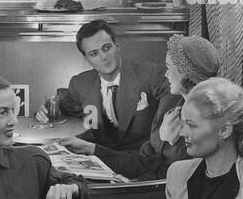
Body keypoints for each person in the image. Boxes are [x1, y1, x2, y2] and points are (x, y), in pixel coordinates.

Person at [60, 34, 220, 181]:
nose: (166, 75)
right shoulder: (170, 105)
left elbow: (186, 178)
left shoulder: (205, 122)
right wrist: (92, 149)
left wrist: (133, 184)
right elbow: (144, 160)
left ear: (185, 73)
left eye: (169, 68)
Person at [59, 19, 169, 153]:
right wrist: (48, 111)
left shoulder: (149, 75)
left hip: (141, 160)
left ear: (117, 45)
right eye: (94, 54)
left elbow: (174, 99)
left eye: (106, 48)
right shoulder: (81, 83)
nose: (103, 57)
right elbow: (65, 108)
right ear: (86, 59)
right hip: (99, 159)